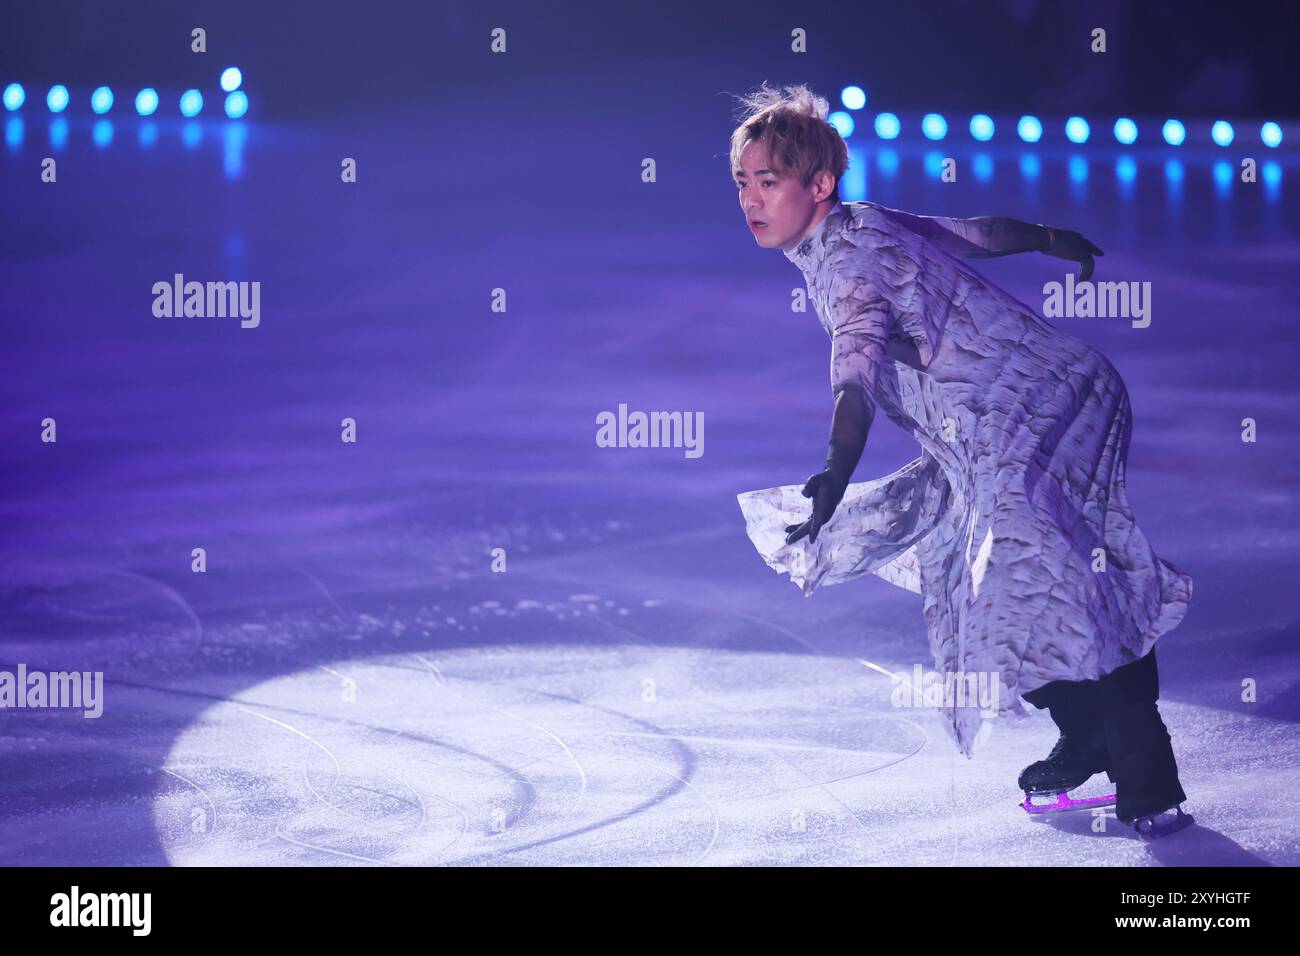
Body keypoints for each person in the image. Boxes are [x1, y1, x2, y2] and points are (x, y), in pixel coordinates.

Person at [731, 82, 1194, 836]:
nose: (751, 198)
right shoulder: (861, 223)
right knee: (983, 590)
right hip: (992, 423)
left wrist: (836, 471)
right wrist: (1046, 237)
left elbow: (853, 384)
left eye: (768, 181)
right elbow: (972, 234)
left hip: (1042, 405)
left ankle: (1148, 775)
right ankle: (1091, 731)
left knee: (1065, 579)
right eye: (742, 182)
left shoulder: (848, 266)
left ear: (819, 185)